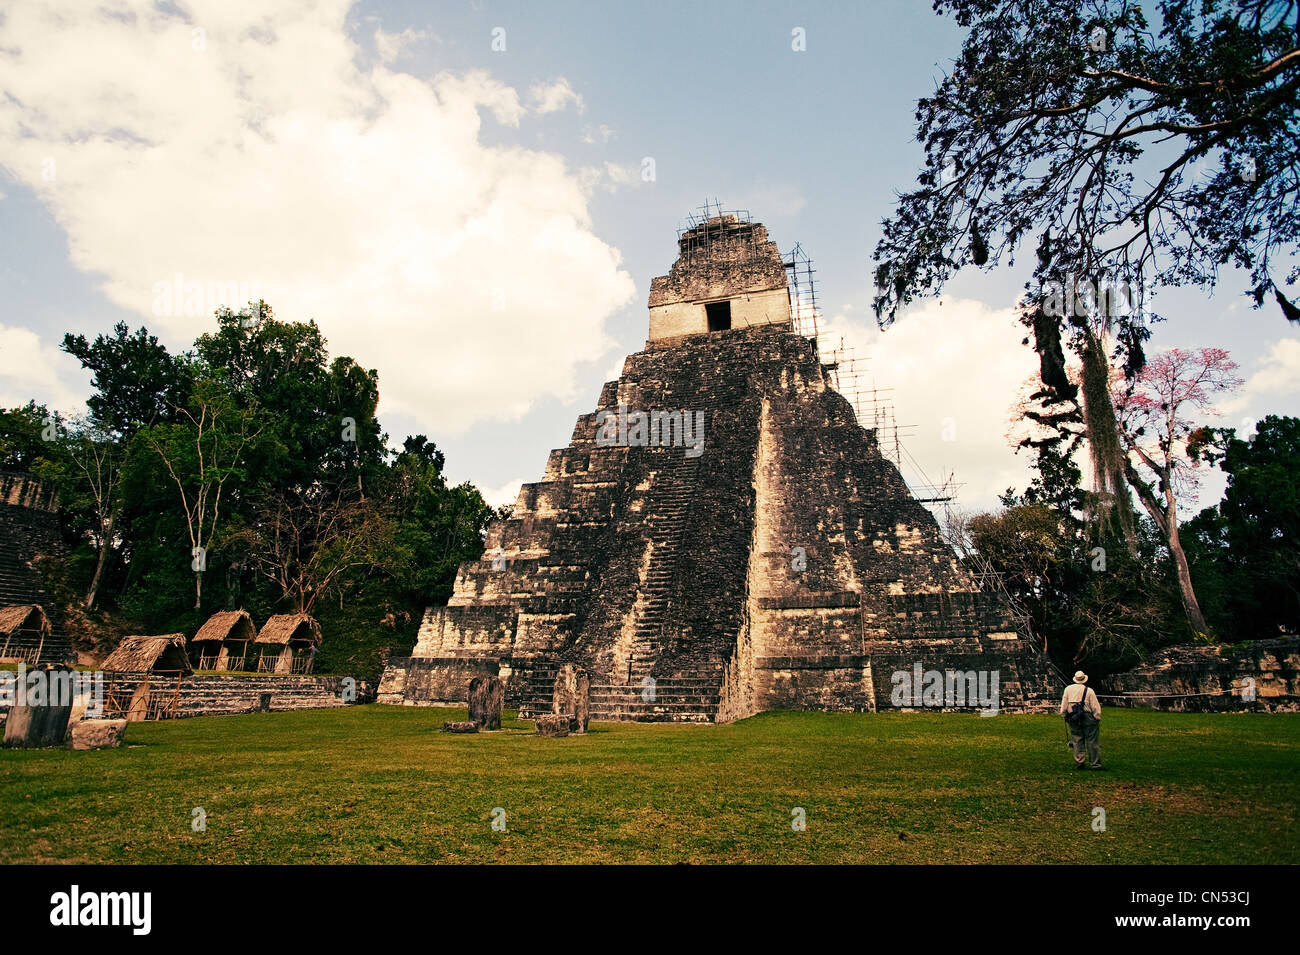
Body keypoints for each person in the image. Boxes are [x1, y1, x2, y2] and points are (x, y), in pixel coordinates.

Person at [1060, 670, 1103, 770]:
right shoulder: (1089, 691)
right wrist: (1097, 717)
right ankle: (1095, 763)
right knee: (1092, 741)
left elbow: (1064, 704)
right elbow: (1095, 707)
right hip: (1088, 717)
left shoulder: (1068, 689)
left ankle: (1080, 761)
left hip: (1074, 716)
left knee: (1077, 739)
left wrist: (1064, 715)